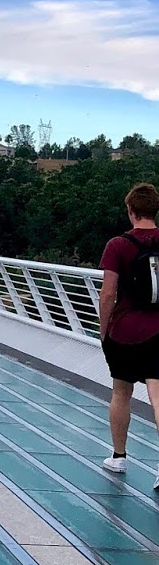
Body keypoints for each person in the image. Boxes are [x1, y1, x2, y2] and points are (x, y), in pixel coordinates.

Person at [99, 183, 159, 485]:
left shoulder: (118, 245)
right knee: (158, 393)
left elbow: (108, 293)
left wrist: (103, 330)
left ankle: (119, 457)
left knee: (121, 391)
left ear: (131, 210)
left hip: (124, 330)